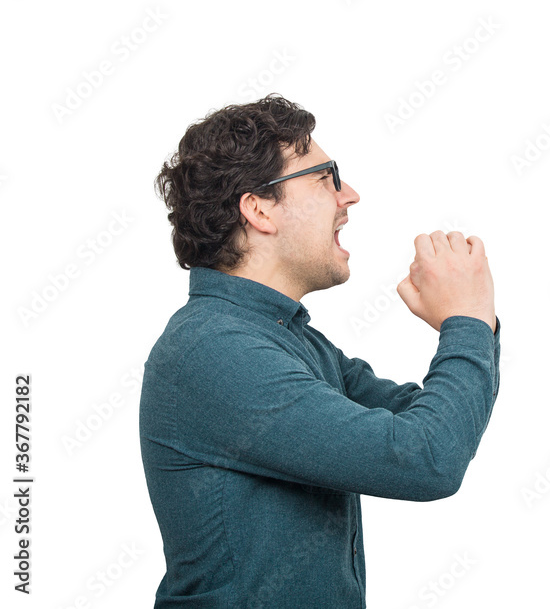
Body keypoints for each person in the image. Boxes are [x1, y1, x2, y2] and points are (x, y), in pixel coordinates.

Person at [139, 94, 501, 608]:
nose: (348, 195)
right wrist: (466, 322)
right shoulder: (216, 351)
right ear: (259, 208)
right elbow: (428, 459)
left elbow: (440, 425)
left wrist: (476, 321)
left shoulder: (288, 341)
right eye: (325, 177)